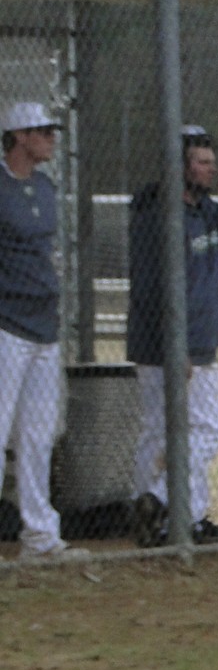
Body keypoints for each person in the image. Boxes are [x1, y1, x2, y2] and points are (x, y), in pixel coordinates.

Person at [127, 124, 218, 546]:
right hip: (166, 345)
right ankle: (158, 504)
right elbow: (152, 287)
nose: (210, 170)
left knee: (193, 430)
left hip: (199, 339)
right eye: (201, 163)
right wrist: (175, 346)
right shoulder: (157, 214)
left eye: (211, 162)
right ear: (180, 167)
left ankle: (174, 514)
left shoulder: (206, 210)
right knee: (183, 430)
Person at [0, 101, 83, 562]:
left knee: (38, 434)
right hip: (7, 324)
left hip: (44, 325)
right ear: (19, 137)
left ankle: (40, 537)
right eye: (42, 132)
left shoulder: (46, 186)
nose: (51, 139)